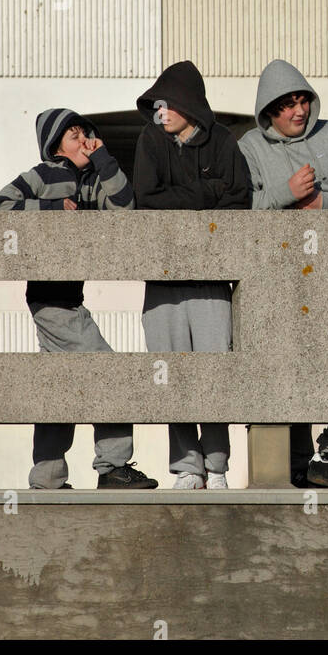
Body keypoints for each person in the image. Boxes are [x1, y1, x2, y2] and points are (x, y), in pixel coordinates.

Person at [0, 108, 159, 491]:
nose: (84, 141)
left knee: (58, 385)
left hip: (66, 300)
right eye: (74, 136)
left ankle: (47, 477)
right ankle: (113, 466)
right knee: (108, 374)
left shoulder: (93, 180)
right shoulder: (43, 174)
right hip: (53, 302)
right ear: (56, 147)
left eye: (86, 134)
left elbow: (124, 207)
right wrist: (48, 209)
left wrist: (104, 159)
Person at [239, 59, 328, 489]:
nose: (299, 112)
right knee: (286, 366)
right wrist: (287, 194)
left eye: (303, 101)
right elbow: (241, 207)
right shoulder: (247, 147)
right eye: (288, 105)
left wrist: (325, 204)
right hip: (278, 279)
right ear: (269, 110)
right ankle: (297, 464)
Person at [134, 61, 252, 489]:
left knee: (214, 374)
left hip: (211, 282)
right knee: (171, 376)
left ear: (188, 105)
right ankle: (186, 468)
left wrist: (185, 198)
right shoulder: (148, 141)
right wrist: (208, 192)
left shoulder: (223, 141)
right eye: (156, 106)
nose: (160, 113)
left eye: (167, 105)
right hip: (162, 283)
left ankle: (217, 466)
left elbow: (239, 200)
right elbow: (146, 201)